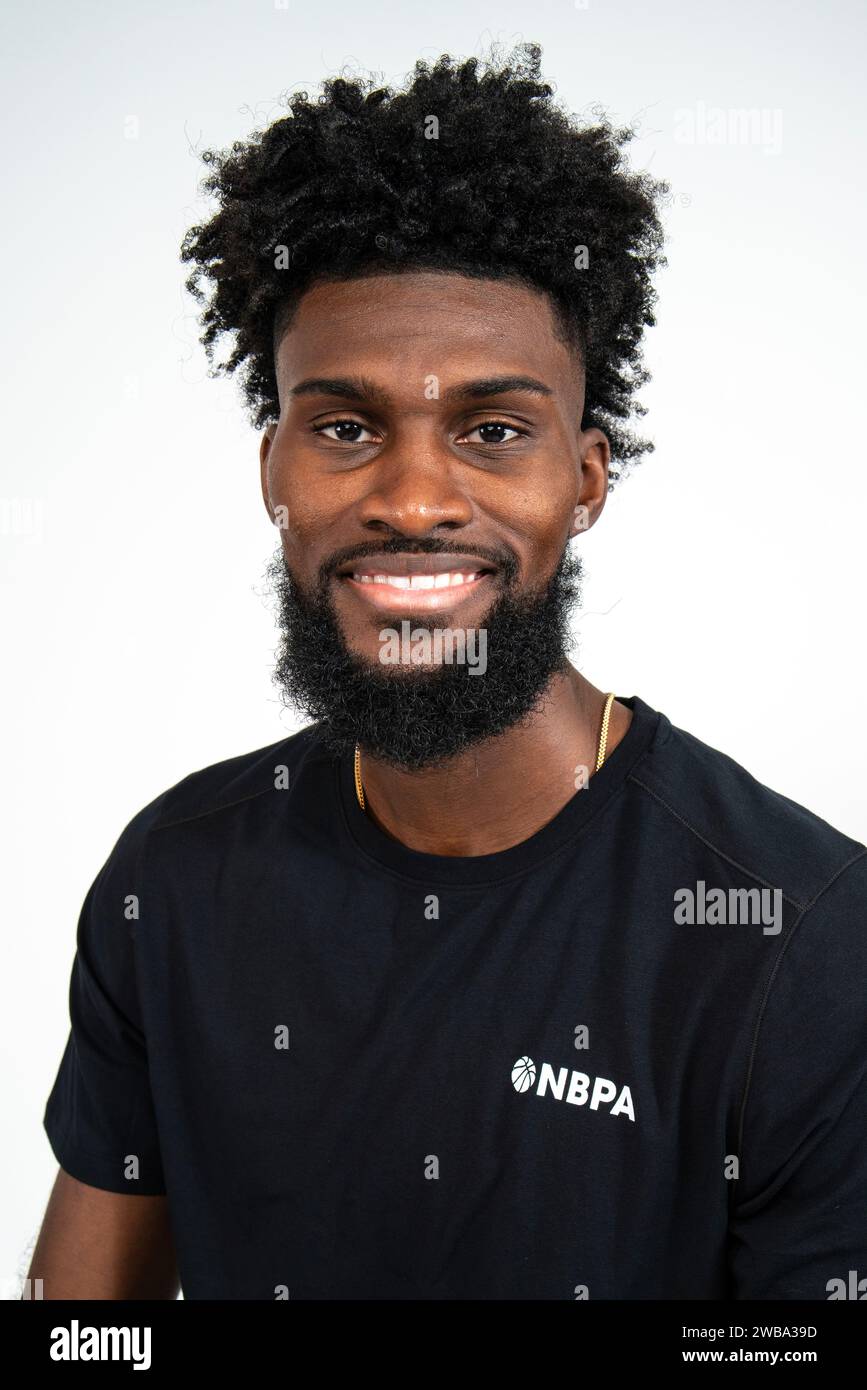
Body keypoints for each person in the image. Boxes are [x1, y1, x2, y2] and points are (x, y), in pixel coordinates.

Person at [29, 44, 867, 1300]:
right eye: (347, 428)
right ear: (277, 473)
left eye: (492, 430)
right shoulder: (176, 877)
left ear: (582, 478)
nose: (414, 500)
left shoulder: (799, 932)